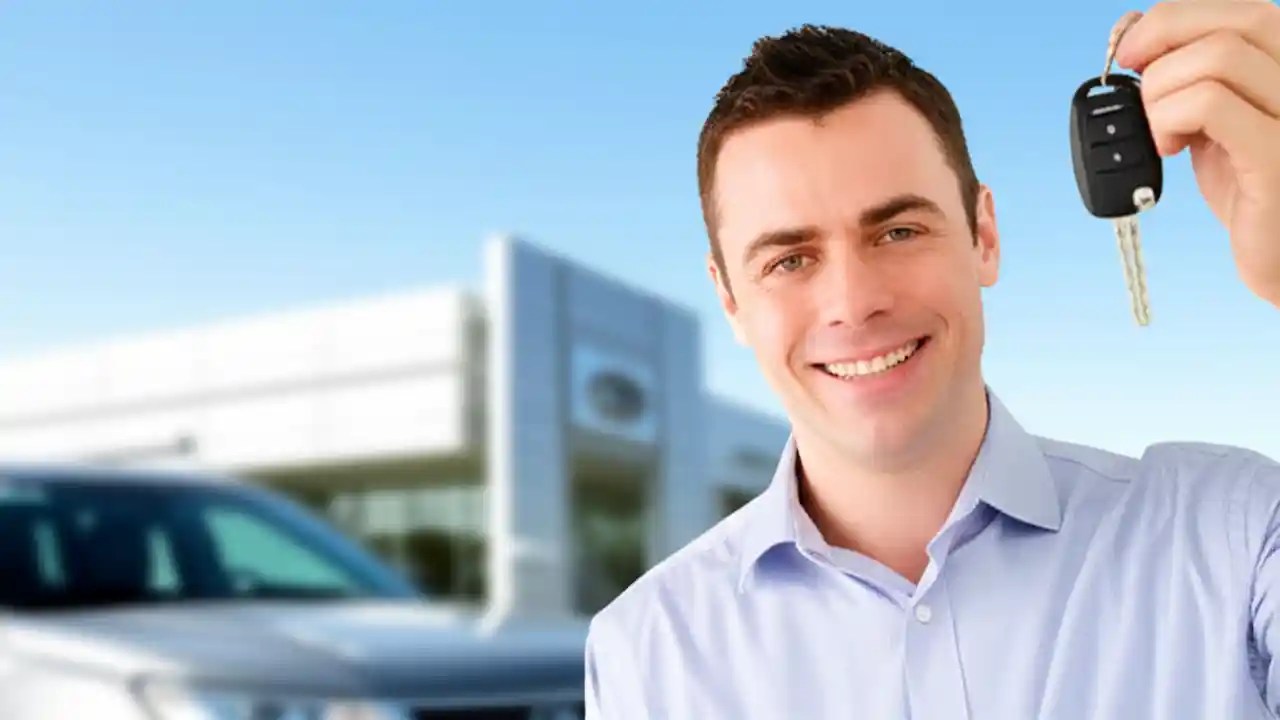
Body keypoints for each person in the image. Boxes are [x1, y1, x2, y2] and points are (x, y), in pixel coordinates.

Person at [583, 3, 1280, 719]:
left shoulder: (1232, 536)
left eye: (898, 231)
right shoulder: (646, 652)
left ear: (984, 235)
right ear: (729, 298)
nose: (853, 304)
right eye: (790, 259)